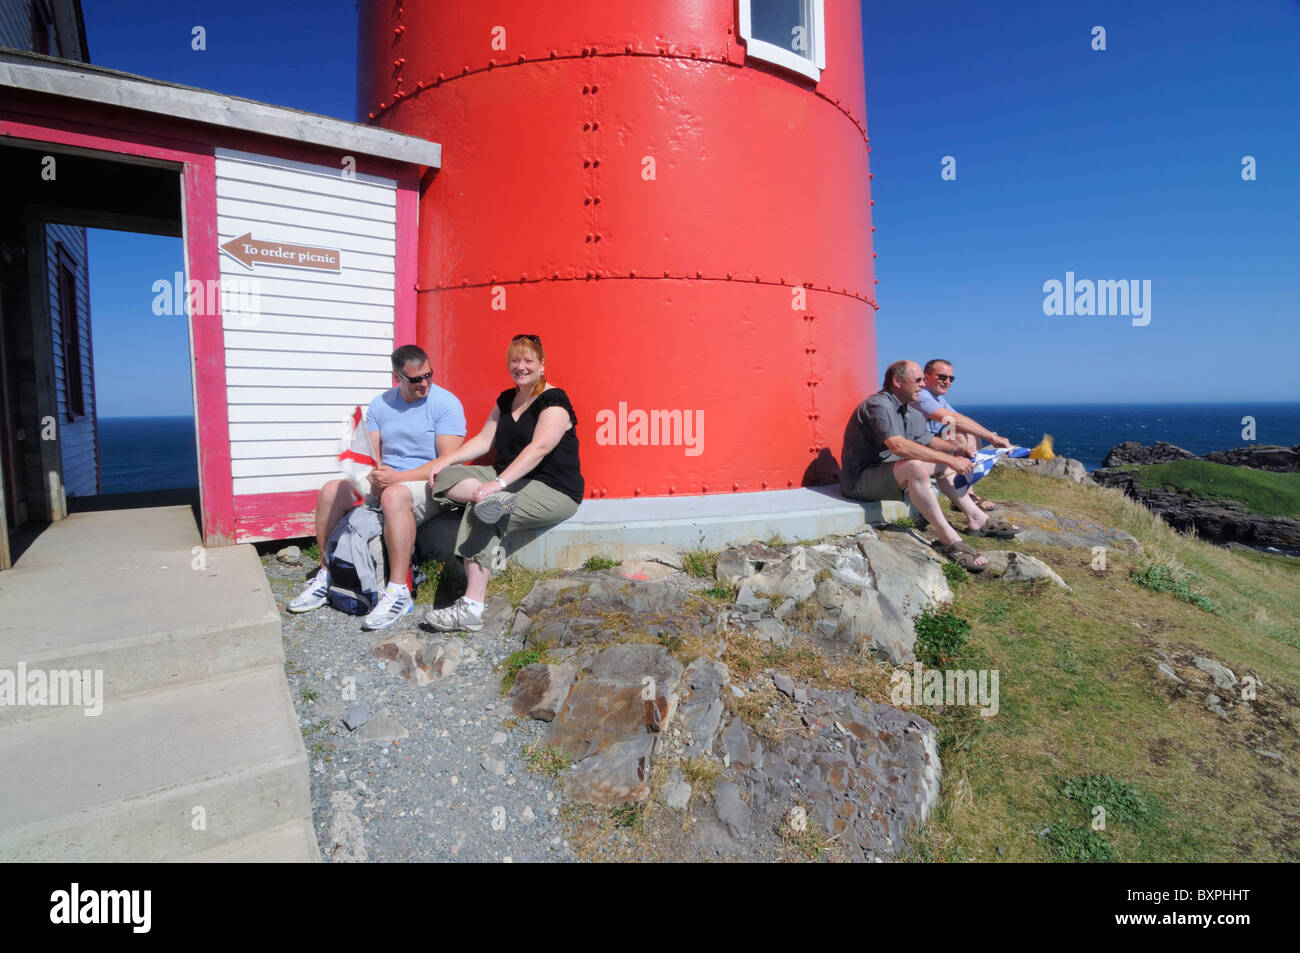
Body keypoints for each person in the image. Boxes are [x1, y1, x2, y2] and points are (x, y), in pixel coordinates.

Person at [288, 345, 467, 629]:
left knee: (394, 495)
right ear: (397, 377)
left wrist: (396, 479)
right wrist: (373, 476)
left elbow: (447, 463)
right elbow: (373, 454)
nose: (424, 384)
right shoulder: (381, 404)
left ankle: (398, 591)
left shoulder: (446, 404)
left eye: (428, 375)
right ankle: (327, 573)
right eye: (416, 379)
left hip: (429, 484)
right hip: (387, 481)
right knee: (331, 489)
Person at [421, 334, 584, 631]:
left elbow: (540, 449)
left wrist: (498, 483)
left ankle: (471, 607)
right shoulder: (507, 399)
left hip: (553, 488)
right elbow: (485, 440)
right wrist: (446, 460)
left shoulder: (555, 402)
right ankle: (489, 498)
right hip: (506, 479)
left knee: (485, 509)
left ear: (542, 364)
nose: (521, 366)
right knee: (446, 477)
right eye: (515, 361)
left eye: (528, 361)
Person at [840, 360, 1018, 572]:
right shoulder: (879, 405)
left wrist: (955, 450)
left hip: (886, 473)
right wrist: (950, 459)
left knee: (940, 465)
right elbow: (898, 446)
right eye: (918, 380)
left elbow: (927, 439)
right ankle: (949, 539)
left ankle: (976, 517)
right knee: (916, 467)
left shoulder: (909, 411)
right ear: (897, 381)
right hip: (860, 481)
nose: (923, 385)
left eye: (923, 380)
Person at [912, 358, 1014, 511]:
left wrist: (991, 436)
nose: (947, 381)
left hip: (929, 442)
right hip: (917, 447)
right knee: (962, 432)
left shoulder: (937, 398)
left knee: (968, 433)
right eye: (942, 377)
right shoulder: (922, 395)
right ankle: (964, 492)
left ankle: (968, 491)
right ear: (925, 376)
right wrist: (992, 438)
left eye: (951, 378)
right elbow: (954, 420)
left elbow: (958, 418)